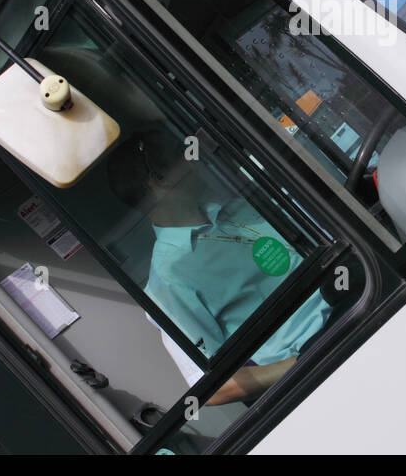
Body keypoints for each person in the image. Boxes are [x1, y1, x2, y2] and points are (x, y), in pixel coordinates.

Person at [107, 130, 331, 405]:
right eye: (184, 153)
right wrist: (302, 364)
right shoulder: (167, 280)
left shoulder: (239, 207)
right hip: (312, 353)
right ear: (160, 180)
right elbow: (211, 387)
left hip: (353, 292)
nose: (195, 158)